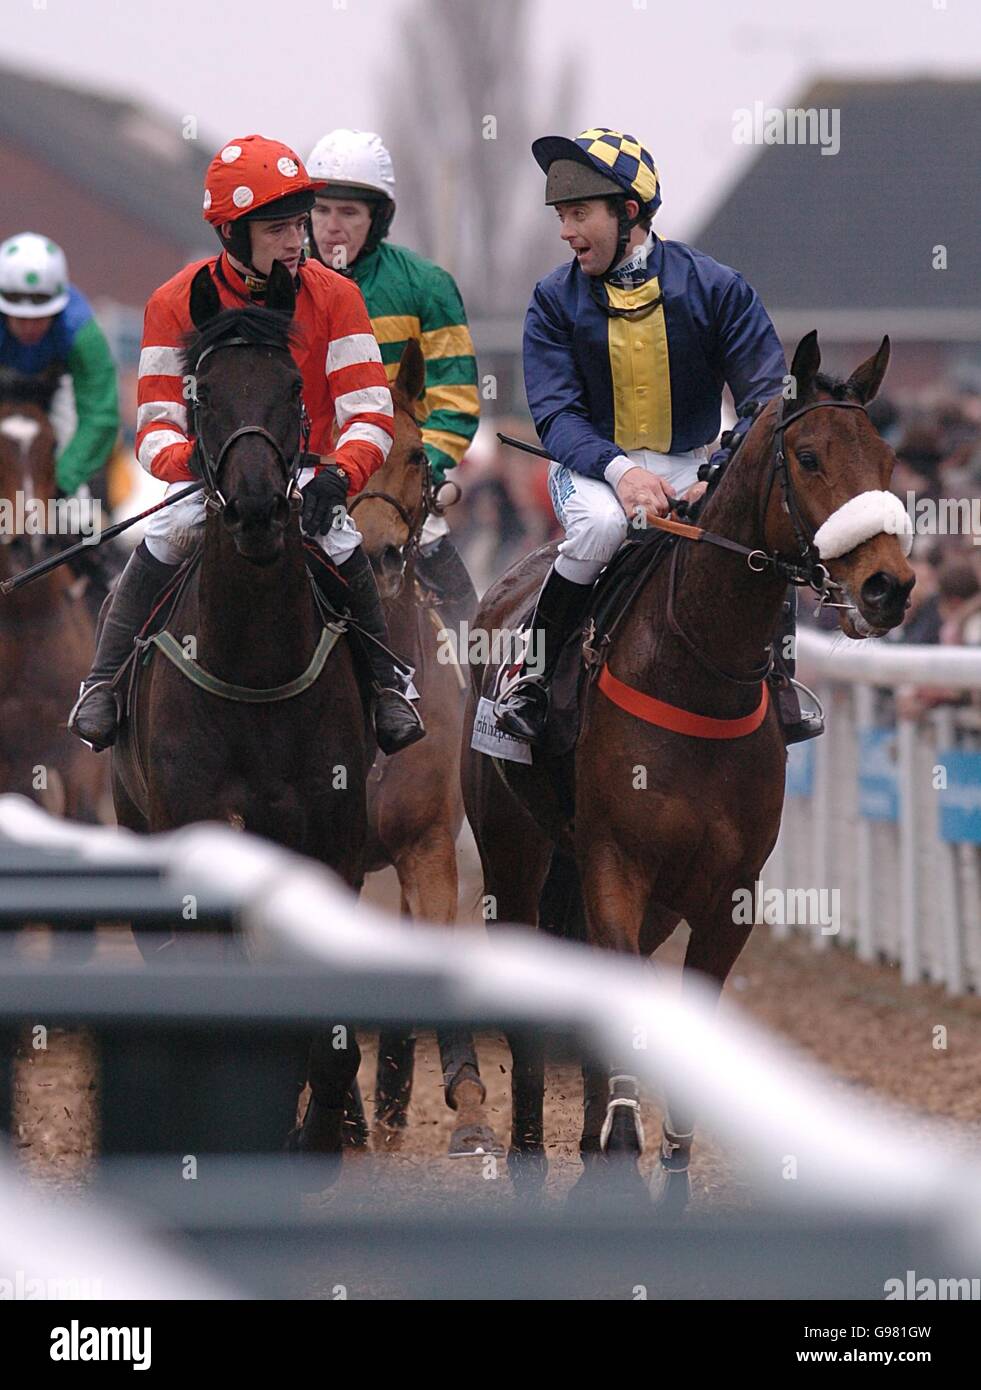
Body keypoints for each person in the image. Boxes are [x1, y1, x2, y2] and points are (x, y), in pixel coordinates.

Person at [68, 134, 423, 755]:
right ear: (233, 233)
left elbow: (369, 412)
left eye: (298, 225)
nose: (297, 241)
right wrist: (198, 465)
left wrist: (341, 474)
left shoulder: (337, 298)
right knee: (168, 530)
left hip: (308, 471)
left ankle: (390, 686)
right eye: (278, 229)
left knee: (340, 540)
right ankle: (103, 681)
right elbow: (154, 428)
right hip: (211, 476)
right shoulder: (173, 303)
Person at [495, 126, 820, 746]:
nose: (566, 231)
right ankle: (532, 682)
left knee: (761, 520)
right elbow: (558, 416)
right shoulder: (552, 301)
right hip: (590, 469)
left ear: (629, 213)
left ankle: (780, 684)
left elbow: (765, 396)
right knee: (601, 526)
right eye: (562, 215)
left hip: (691, 462)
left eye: (578, 213)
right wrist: (622, 473)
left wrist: (720, 476)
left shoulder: (717, 289)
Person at [305, 129, 480, 628]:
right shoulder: (285, 284)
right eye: (321, 211)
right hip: (311, 471)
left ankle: (476, 683)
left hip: (396, 478)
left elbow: (456, 400)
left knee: (466, 615)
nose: (332, 227)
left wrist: (423, 472)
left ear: (376, 218)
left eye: (349, 213)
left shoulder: (427, 286)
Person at [0, 231, 120, 594]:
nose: (29, 327)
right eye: (18, 317)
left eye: (42, 316)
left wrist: (59, 481)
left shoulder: (82, 332)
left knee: (78, 508)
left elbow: (99, 416)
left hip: (59, 394)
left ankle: (104, 577)